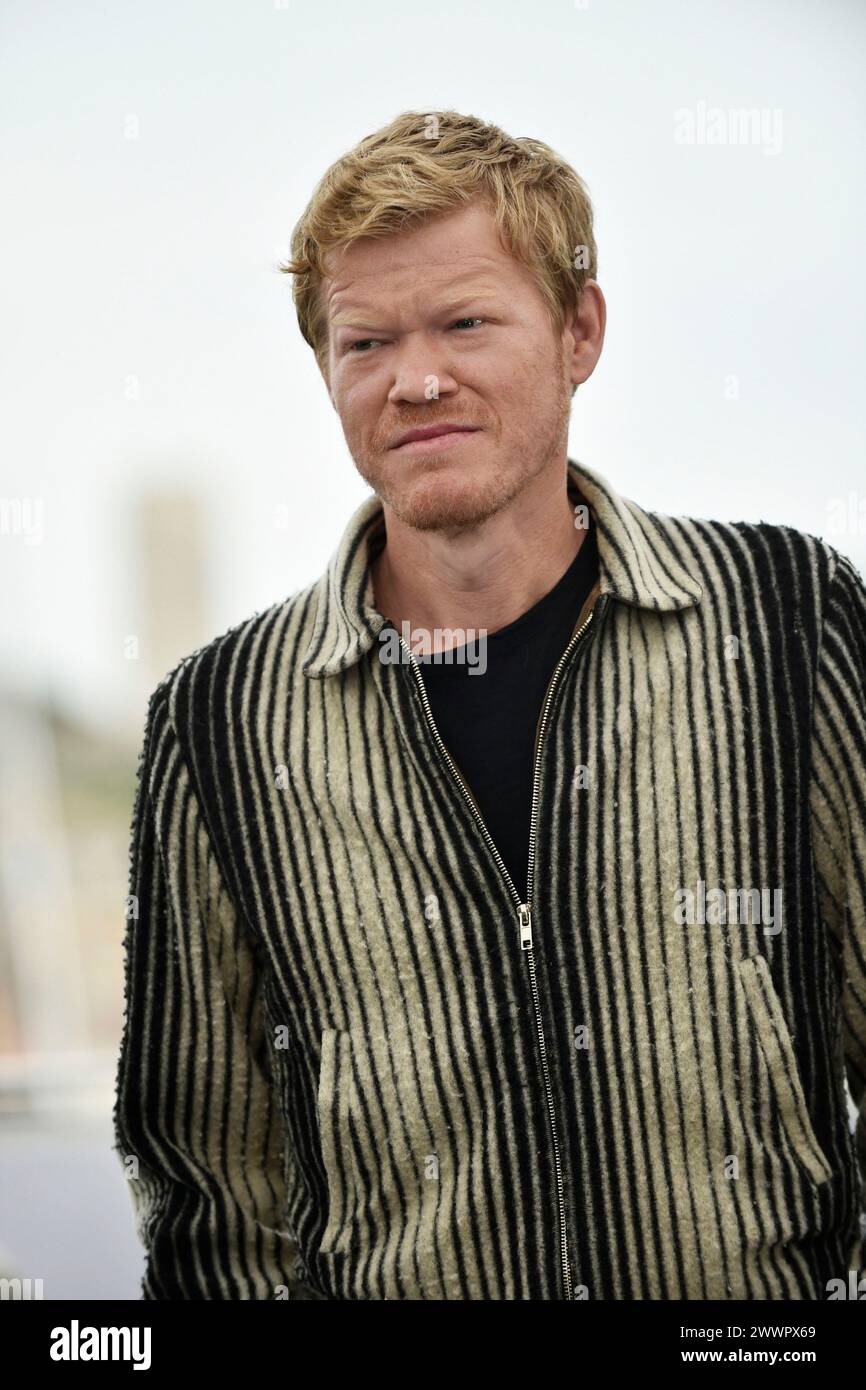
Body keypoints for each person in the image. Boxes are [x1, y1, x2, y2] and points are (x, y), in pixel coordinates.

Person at [113, 109, 866, 1300]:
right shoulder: (218, 721)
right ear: (324, 370)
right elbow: (210, 1193)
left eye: (466, 322)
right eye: (365, 343)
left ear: (579, 331)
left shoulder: (786, 617)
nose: (416, 379)